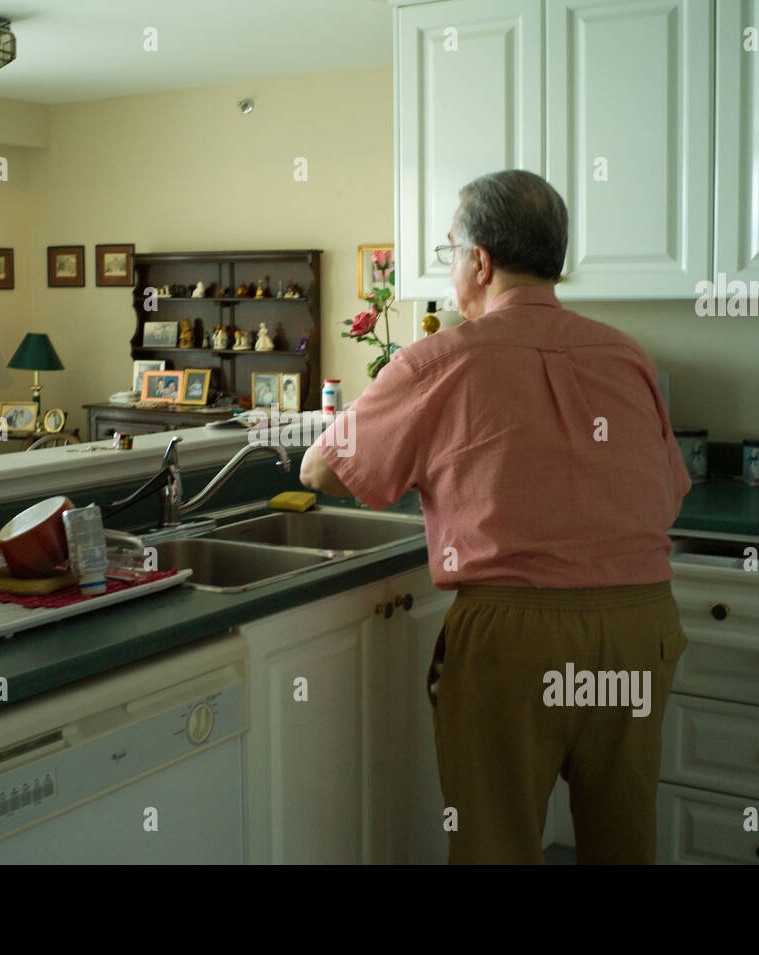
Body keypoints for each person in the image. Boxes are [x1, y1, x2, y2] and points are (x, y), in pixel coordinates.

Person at [300, 169, 691, 864]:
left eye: (451, 248)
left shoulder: (442, 359)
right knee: (624, 840)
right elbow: (669, 489)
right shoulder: (626, 355)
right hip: (639, 625)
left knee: (493, 845)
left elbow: (324, 470)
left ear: (478, 260)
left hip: (516, 637)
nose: (452, 265)